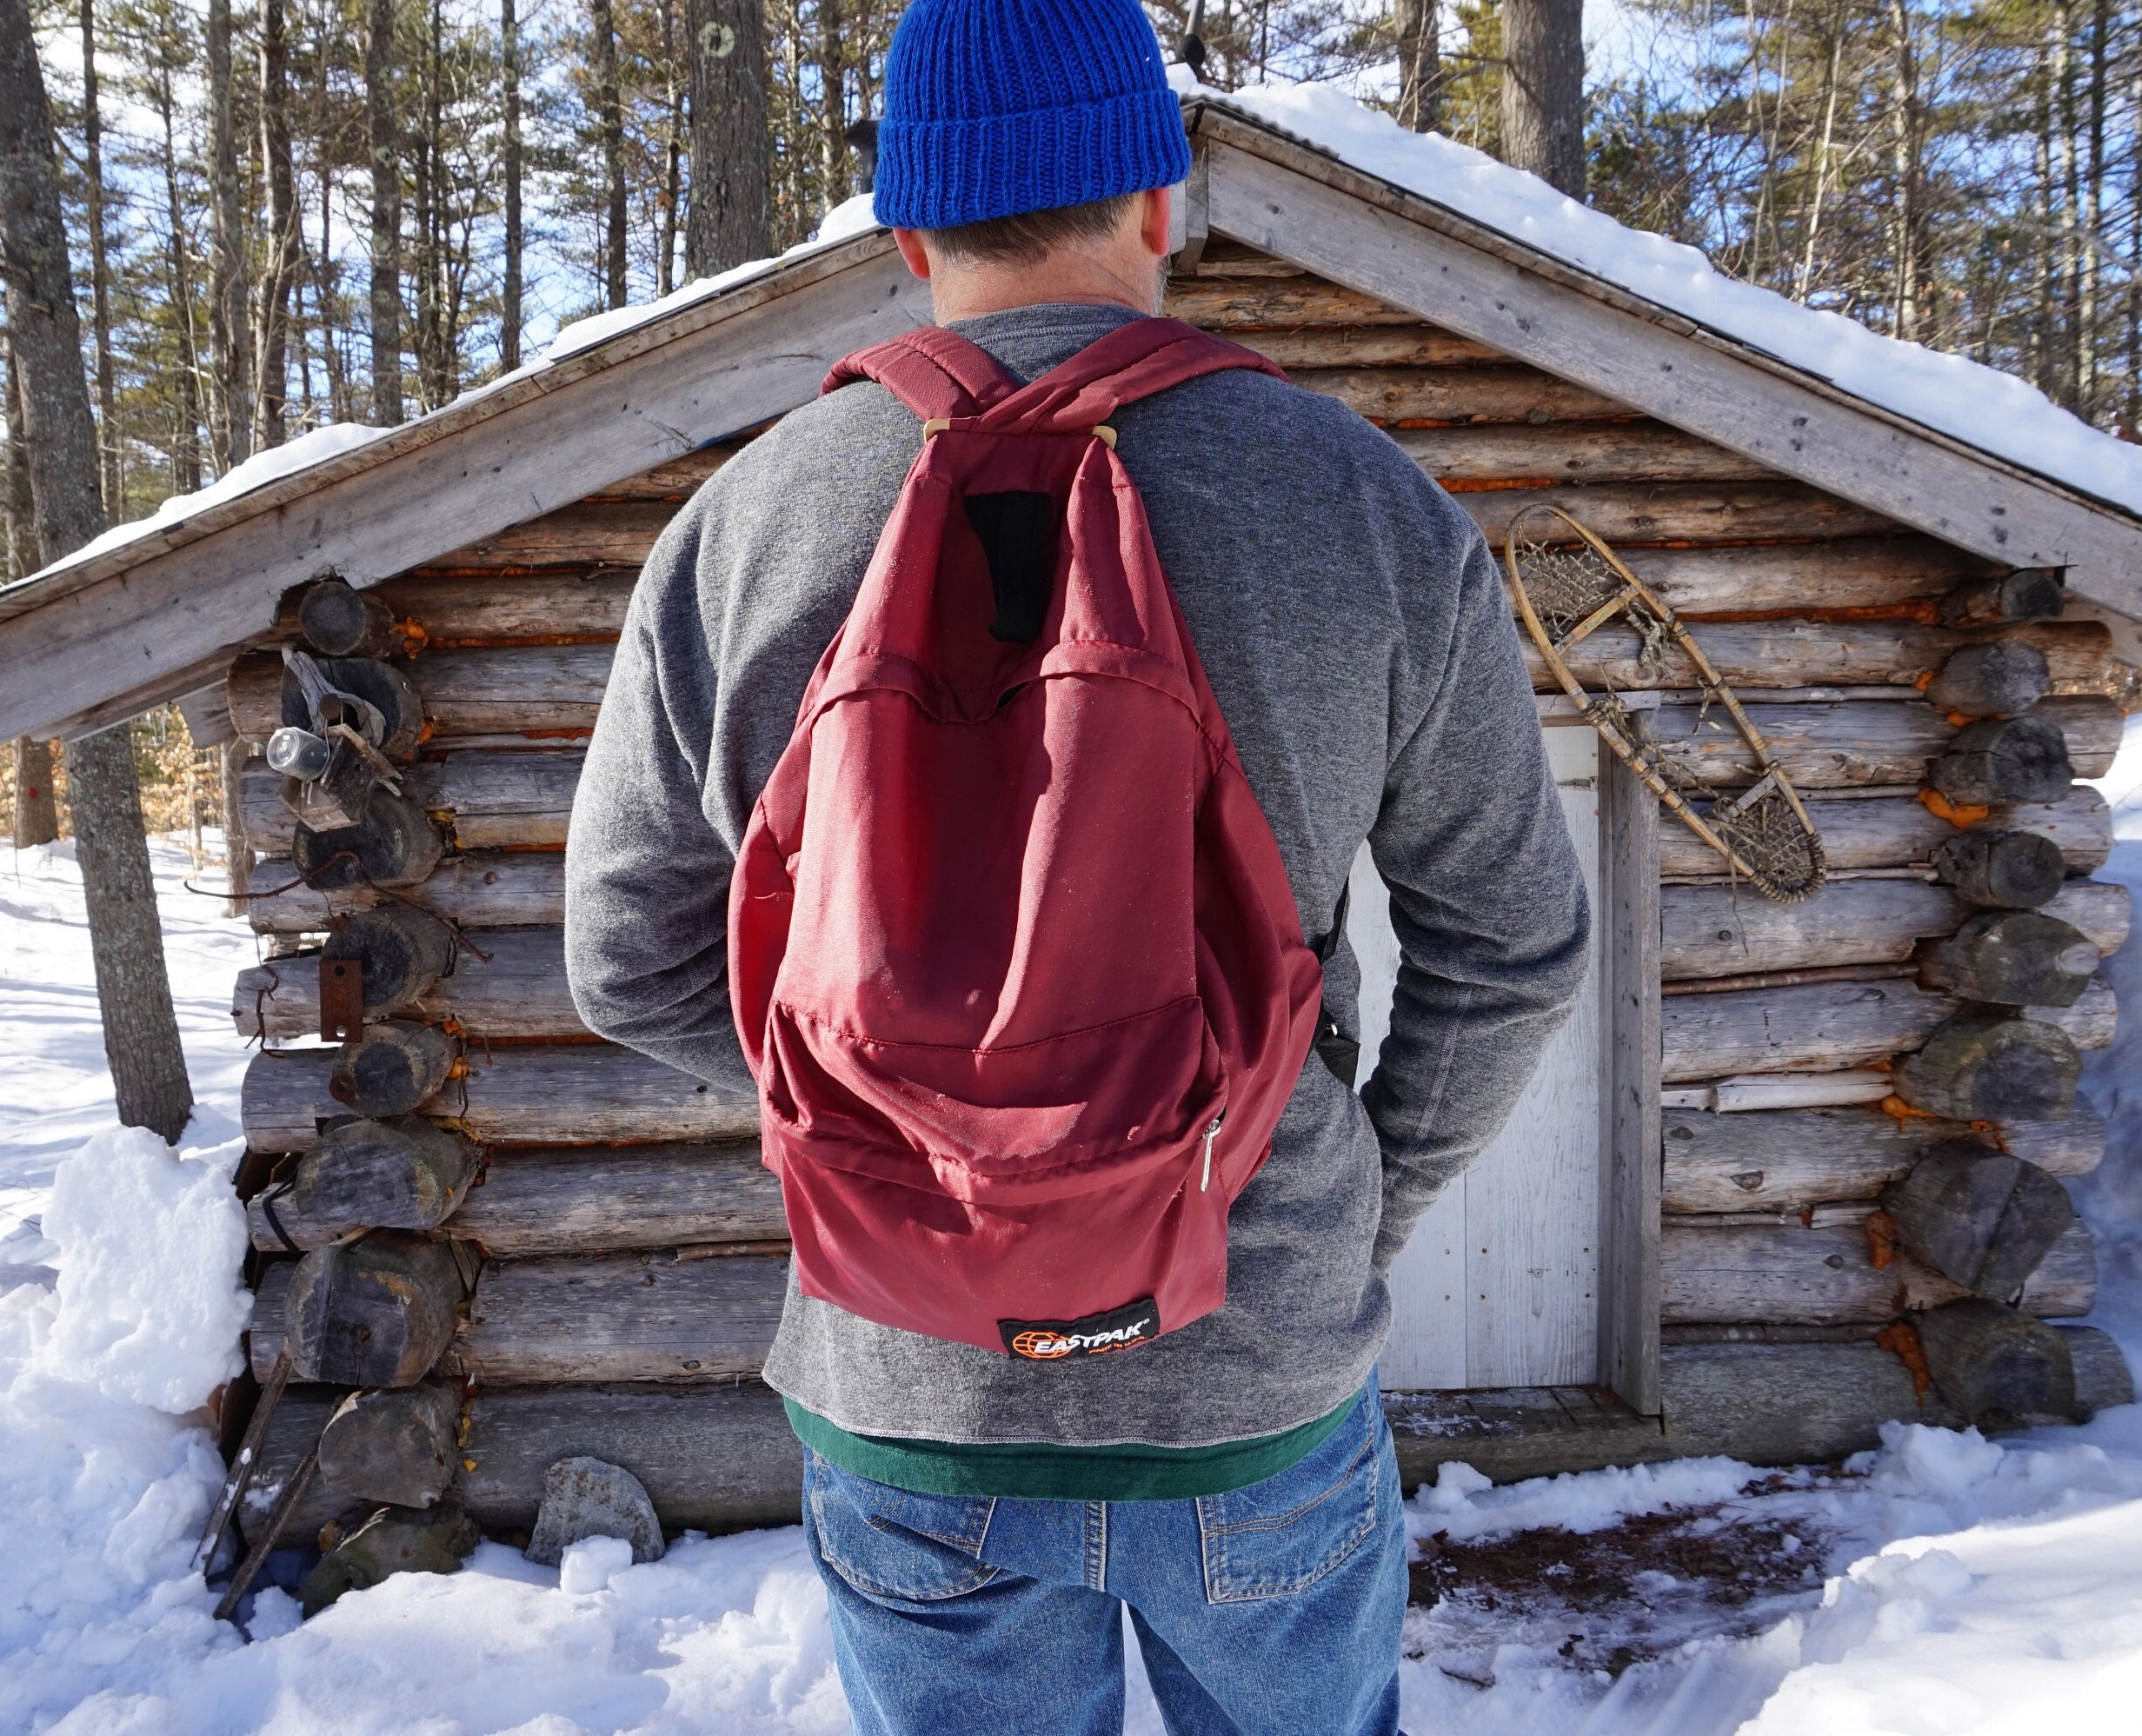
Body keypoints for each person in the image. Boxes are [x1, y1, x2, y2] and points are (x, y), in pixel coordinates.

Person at [565, 1, 1591, 1727]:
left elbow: (625, 955)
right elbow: (1515, 948)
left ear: (910, 230)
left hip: (907, 1385)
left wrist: (899, 1139)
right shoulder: (1366, 507)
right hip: (1253, 1376)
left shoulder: (743, 526)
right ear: (1162, 199)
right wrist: (1333, 1190)